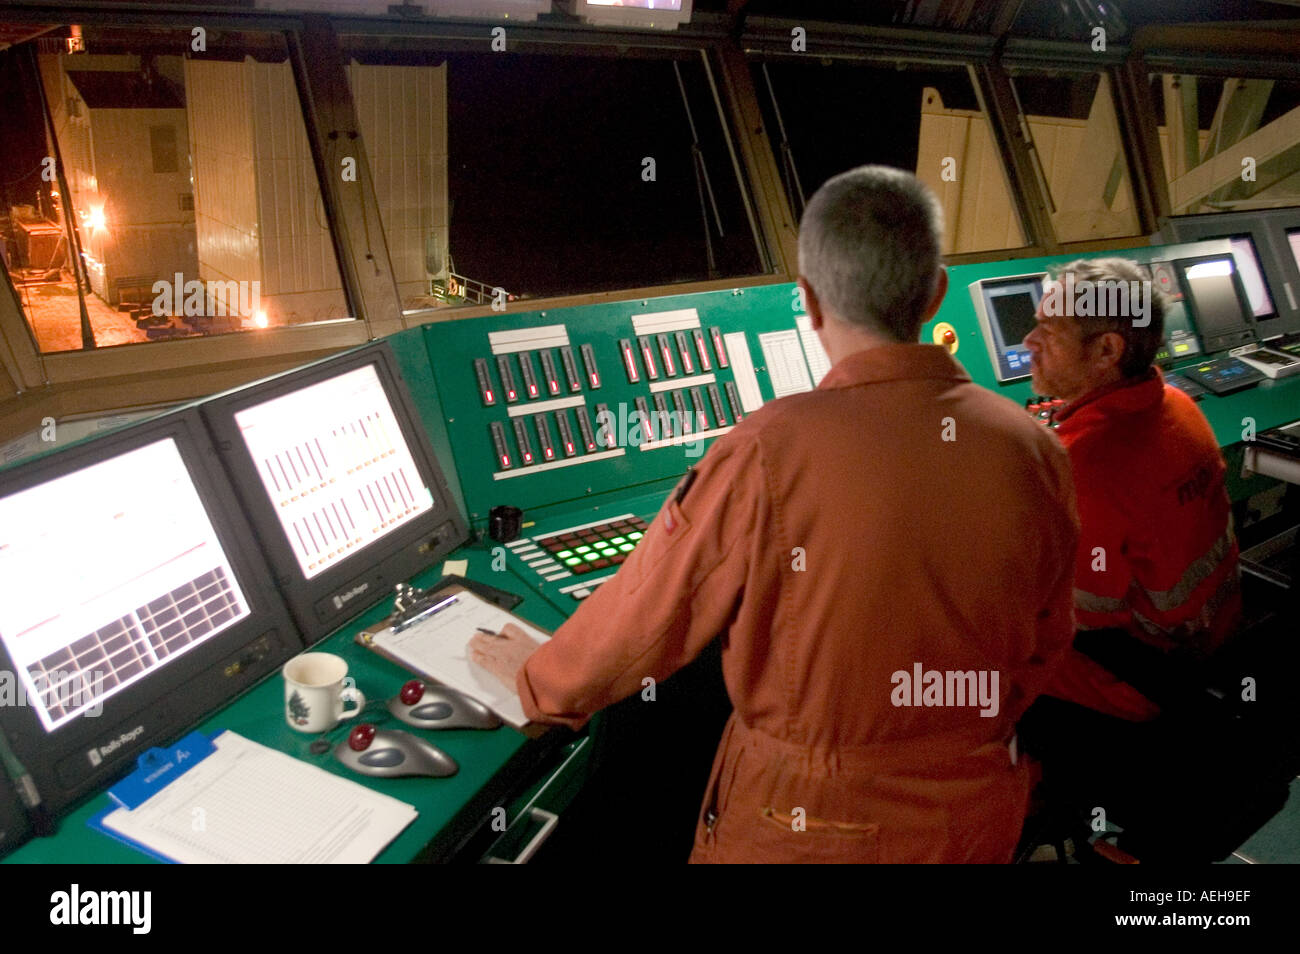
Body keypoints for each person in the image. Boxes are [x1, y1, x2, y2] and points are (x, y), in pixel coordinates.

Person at [470, 165, 1079, 863]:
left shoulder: (765, 451)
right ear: (938, 294)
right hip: (975, 814)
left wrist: (536, 680)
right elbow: (1048, 638)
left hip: (813, 827)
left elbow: (644, 627)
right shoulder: (1035, 447)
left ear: (810, 302)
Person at [1018, 257, 1241, 725]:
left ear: (1106, 351)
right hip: (1214, 632)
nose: (1028, 342)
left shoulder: (1086, 467)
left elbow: (1075, 617)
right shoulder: (1178, 404)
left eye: (1048, 332)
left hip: (1141, 674)